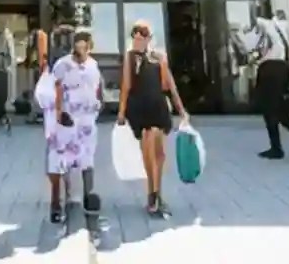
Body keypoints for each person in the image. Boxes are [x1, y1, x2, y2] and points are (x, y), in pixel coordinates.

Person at [117, 21, 188, 215]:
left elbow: (170, 85)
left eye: (142, 38)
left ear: (149, 39)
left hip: (157, 107)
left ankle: (156, 193)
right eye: (135, 38)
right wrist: (121, 112)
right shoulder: (130, 58)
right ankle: (153, 193)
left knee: (159, 154)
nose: (138, 41)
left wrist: (181, 110)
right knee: (147, 153)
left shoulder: (159, 57)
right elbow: (126, 85)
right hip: (139, 109)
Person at [234, 4, 289, 159]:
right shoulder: (280, 26)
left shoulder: (262, 25)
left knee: (269, 108)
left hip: (270, 68)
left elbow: (250, 47)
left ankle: (285, 144)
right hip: (282, 66)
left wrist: (240, 40)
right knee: (276, 109)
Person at [44, 30, 103, 224]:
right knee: (59, 160)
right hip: (67, 119)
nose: (80, 46)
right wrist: (59, 114)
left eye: (84, 42)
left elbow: (97, 87)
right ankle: (56, 203)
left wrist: (99, 103)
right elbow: (57, 88)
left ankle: (89, 196)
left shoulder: (93, 65)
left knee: (87, 158)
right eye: (77, 42)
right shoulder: (63, 64)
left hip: (87, 120)